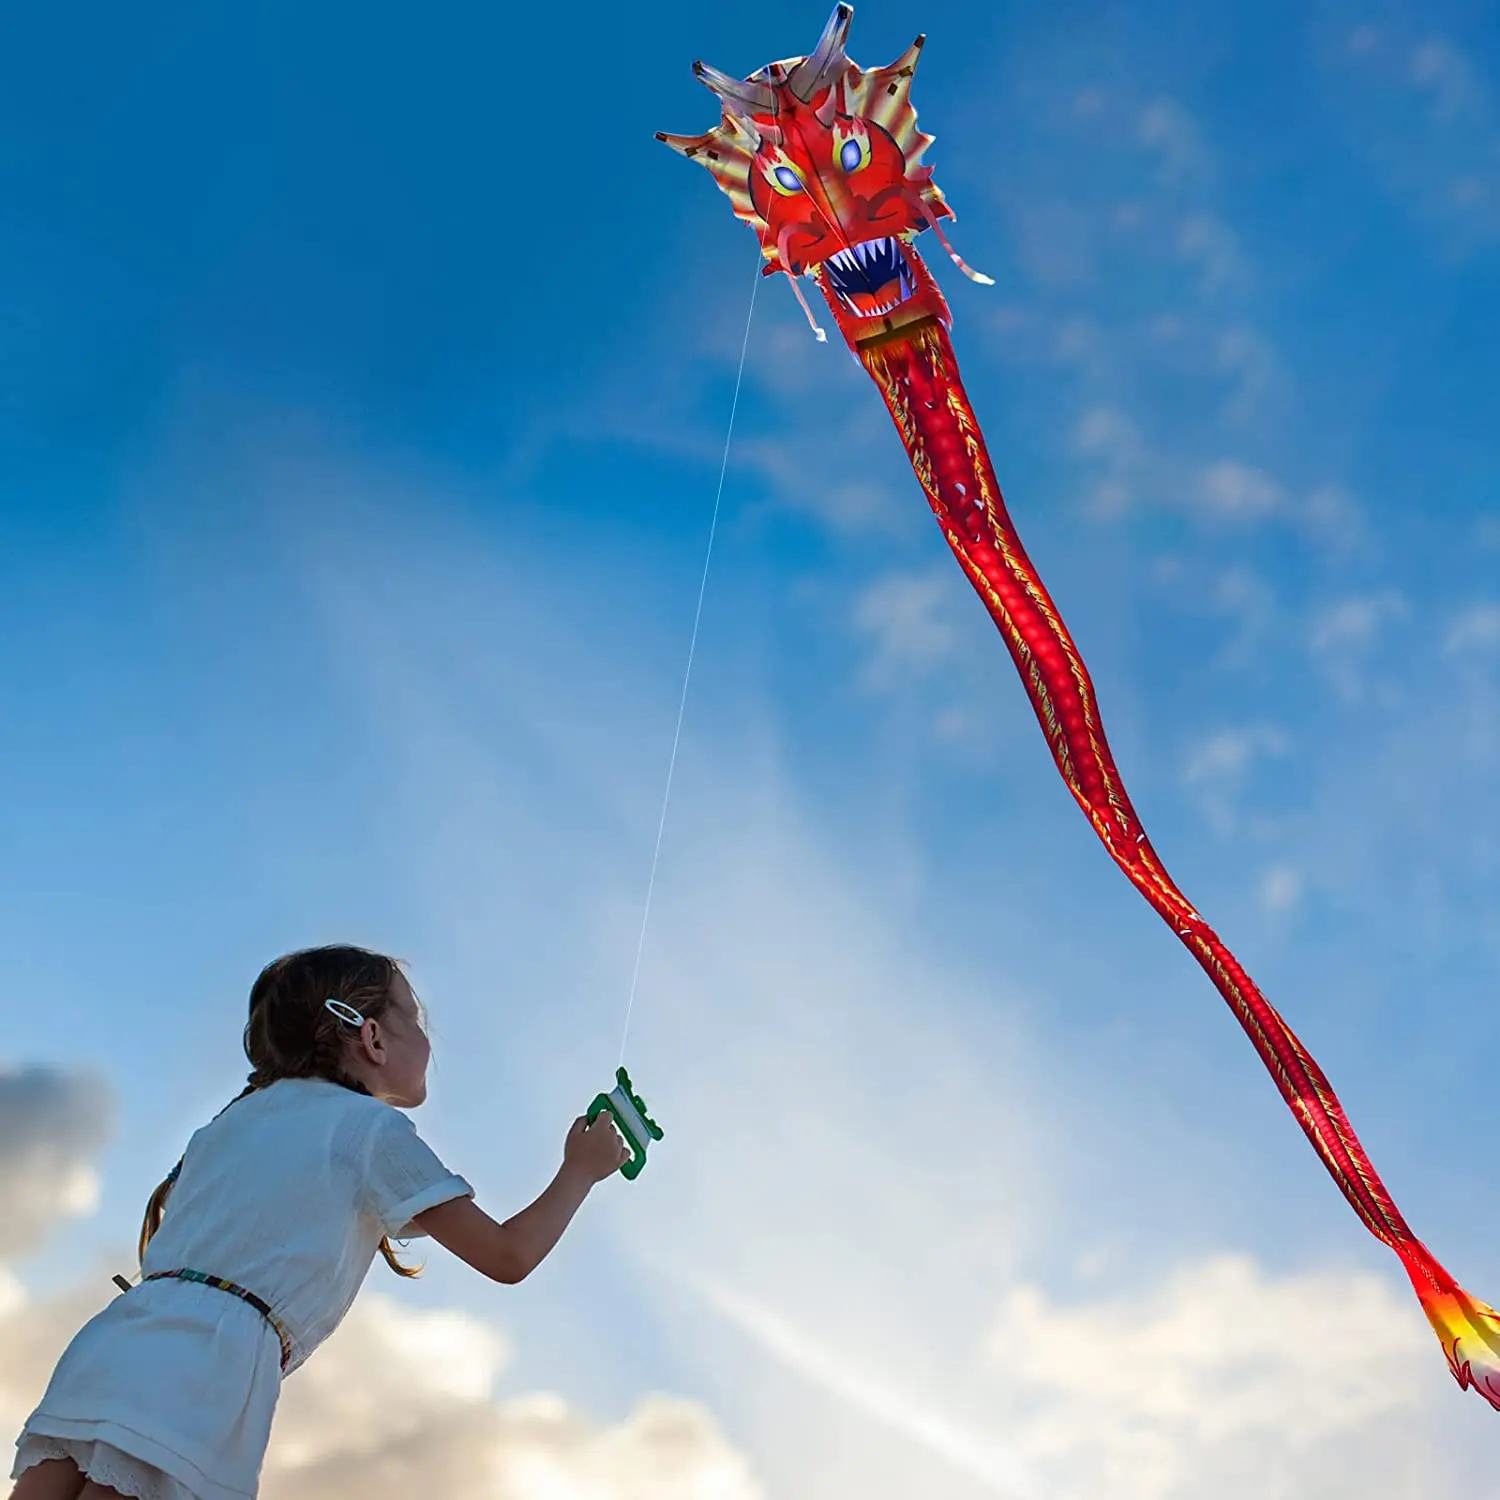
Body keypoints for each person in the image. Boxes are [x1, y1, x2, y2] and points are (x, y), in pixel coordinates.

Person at [8, 944, 629, 1500]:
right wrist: (580, 1170)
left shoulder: (227, 1122)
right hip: (205, 1364)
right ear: (374, 1039)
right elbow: (507, 1256)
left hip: (118, 1337)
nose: (428, 1036)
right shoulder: (370, 1130)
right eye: (416, 1017)